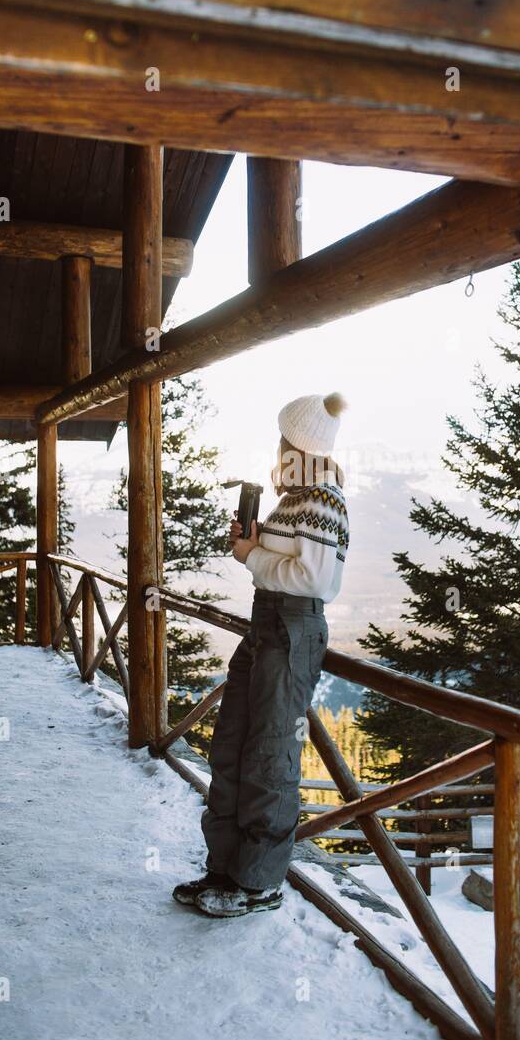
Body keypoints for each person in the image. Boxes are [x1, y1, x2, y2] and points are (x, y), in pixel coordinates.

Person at [173, 392, 350, 918]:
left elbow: (315, 580)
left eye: (283, 437)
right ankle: (224, 867)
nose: (277, 445)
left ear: (299, 444)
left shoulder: (323, 499)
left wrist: (252, 554)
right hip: (266, 623)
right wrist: (254, 544)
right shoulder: (294, 499)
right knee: (232, 745)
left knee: (272, 752)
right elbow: (285, 561)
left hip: (292, 627)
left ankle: (259, 882)